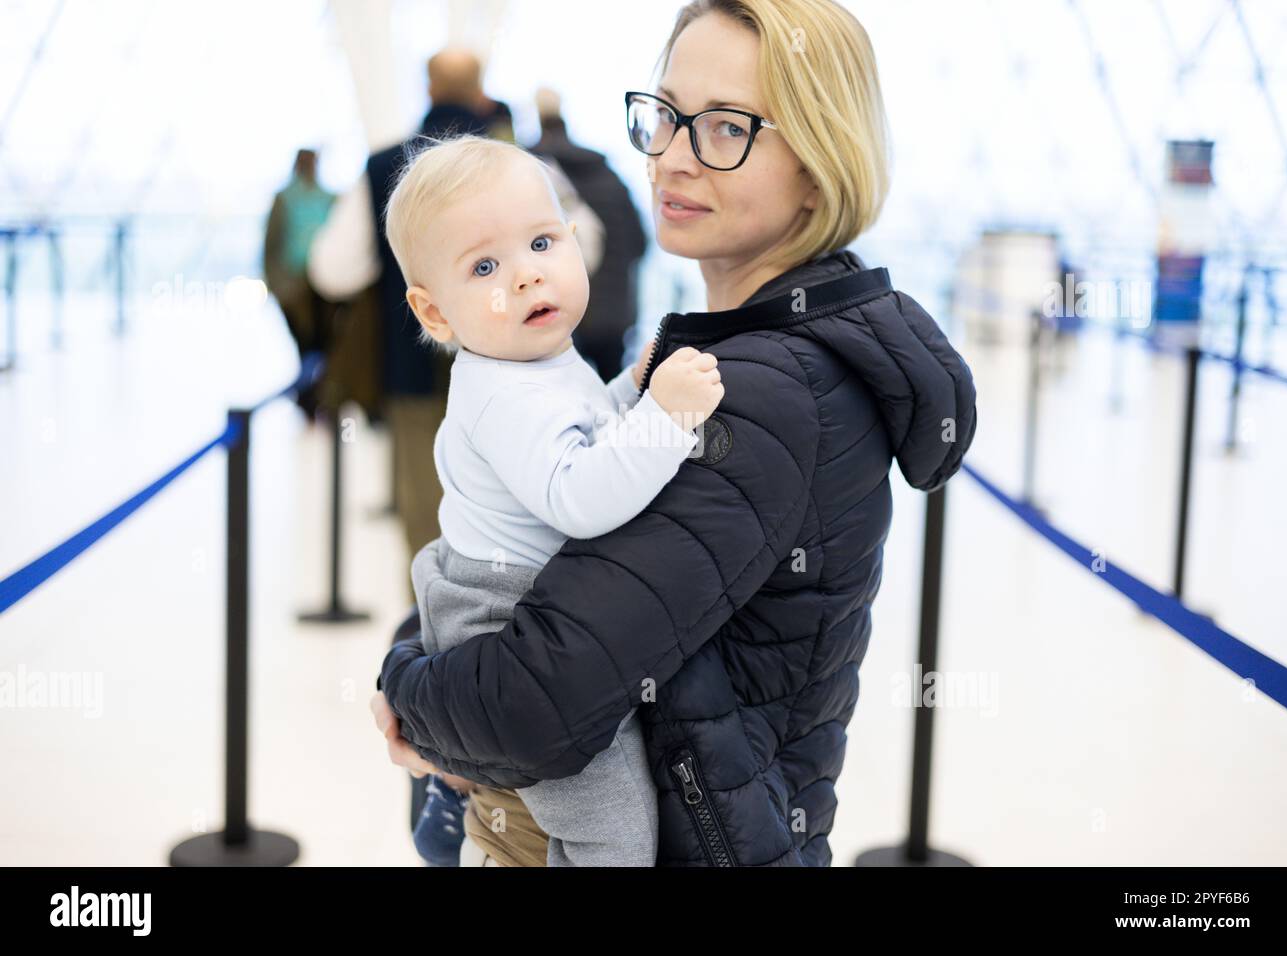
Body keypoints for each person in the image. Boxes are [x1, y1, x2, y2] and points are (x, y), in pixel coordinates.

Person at [373, 0, 977, 866]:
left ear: (818, 162)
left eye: (725, 127)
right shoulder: (733, 354)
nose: (673, 156)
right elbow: (563, 585)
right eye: (664, 117)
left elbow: (535, 705)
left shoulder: (768, 394)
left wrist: (406, 688)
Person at [386, 135, 723, 866]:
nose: (526, 276)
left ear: (575, 241)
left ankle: (460, 805)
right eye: (484, 266)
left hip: (514, 609)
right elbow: (577, 495)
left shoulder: (531, 361)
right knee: (614, 828)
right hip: (500, 622)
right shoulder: (501, 392)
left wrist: (629, 393)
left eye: (541, 241)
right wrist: (665, 418)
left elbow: (578, 432)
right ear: (435, 313)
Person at [308, 48, 603, 566]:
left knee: (433, 529)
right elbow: (591, 246)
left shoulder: (382, 167)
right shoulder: (526, 167)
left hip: (414, 373)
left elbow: (332, 270)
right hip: (536, 361)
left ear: (427, 89)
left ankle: (442, 641)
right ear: (481, 89)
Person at [532, 88, 649, 381]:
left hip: (555, 314)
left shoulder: (531, 176)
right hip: (614, 313)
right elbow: (639, 242)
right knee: (616, 396)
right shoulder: (608, 175)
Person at [263, 148, 334, 418]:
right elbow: (272, 246)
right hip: (294, 287)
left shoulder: (328, 198)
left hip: (324, 286)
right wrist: (277, 286)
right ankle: (308, 402)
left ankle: (319, 399)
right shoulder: (284, 199)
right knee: (305, 344)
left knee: (321, 346)